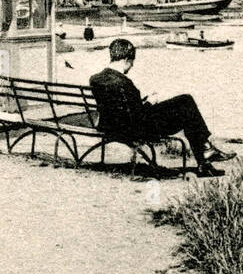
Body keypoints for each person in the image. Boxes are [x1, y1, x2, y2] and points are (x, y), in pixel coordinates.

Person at [88, 38, 234, 177]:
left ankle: (206, 153)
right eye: (132, 62)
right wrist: (151, 102)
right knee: (186, 103)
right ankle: (205, 155)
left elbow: (123, 108)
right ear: (126, 59)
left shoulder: (96, 78)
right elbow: (138, 116)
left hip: (111, 126)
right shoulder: (124, 83)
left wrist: (142, 102)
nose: (132, 66)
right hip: (135, 130)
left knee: (184, 105)